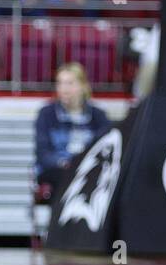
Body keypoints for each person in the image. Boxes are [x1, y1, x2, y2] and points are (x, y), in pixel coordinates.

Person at [33, 63, 111, 194]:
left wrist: (82, 165)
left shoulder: (98, 116)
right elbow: (43, 153)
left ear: (83, 86)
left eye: (69, 83)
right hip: (57, 171)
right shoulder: (46, 114)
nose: (64, 89)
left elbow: (104, 149)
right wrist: (65, 163)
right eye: (60, 83)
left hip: (88, 172)